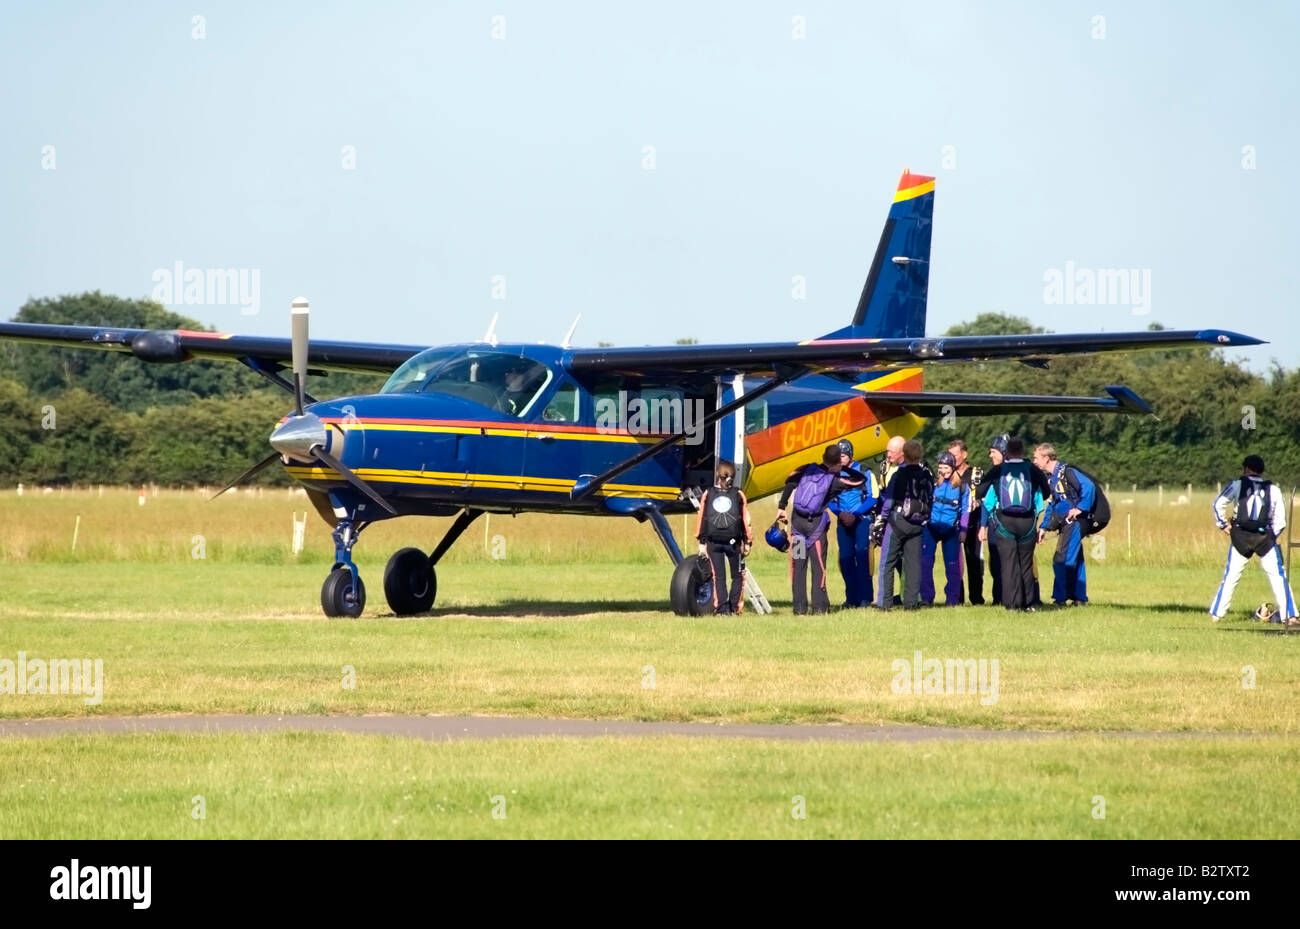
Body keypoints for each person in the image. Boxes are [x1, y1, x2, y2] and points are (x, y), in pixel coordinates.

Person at [1208, 455, 1298, 625]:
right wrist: (1271, 537)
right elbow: (1281, 521)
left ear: (1246, 469)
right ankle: (1290, 615)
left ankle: (1217, 614)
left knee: (1231, 575)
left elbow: (1218, 504)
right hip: (1265, 537)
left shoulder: (1237, 484)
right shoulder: (1274, 489)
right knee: (1278, 576)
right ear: (1261, 471)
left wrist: (1223, 526)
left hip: (1240, 536)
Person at [777, 445, 867, 615]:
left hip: (797, 525)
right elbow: (860, 480)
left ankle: (799, 609)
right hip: (815, 526)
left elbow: (789, 480)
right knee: (818, 567)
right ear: (837, 461)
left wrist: (782, 506)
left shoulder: (808, 470)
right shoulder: (834, 480)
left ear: (823, 456)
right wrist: (844, 467)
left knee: (798, 567)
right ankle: (819, 608)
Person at [980, 436, 1049, 612]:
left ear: (1007, 452)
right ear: (1022, 451)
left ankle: (1012, 605)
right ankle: (1028, 603)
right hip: (1027, 522)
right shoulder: (1032, 469)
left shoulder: (999, 470)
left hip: (1005, 522)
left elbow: (979, 490)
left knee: (1008, 564)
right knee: (1025, 563)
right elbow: (1047, 492)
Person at [1033, 443, 1094, 606]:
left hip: (1073, 523)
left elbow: (1089, 486)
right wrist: (1044, 526)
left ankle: (1060, 598)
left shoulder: (1067, 472)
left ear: (1046, 458)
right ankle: (1079, 598)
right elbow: (1052, 504)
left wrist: (1080, 508)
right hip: (1063, 523)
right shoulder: (1051, 478)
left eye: (1036, 458)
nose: (1034, 461)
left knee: (1062, 559)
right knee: (1077, 560)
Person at [875, 439, 933, 610]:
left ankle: (884, 603)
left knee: (887, 563)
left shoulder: (898, 475)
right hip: (917, 525)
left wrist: (883, 518)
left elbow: (889, 501)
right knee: (913, 565)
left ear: (905, 454)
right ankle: (911, 603)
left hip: (897, 523)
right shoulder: (926, 474)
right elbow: (931, 497)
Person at [695, 461, 754, 615]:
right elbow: (745, 521)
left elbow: (702, 518)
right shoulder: (738, 494)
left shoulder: (708, 493)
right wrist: (748, 542)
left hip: (713, 542)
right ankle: (734, 608)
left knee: (719, 577)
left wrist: (702, 542)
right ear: (733, 477)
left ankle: (722, 608)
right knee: (737, 575)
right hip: (734, 542)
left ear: (717, 474)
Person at [828, 438, 879, 607]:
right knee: (845, 559)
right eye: (838, 456)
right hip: (843, 521)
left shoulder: (865, 472)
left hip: (862, 520)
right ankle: (851, 598)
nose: (840, 459)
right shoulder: (833, 474)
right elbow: (828, 499)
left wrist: (856, 514)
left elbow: (874, 497)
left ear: (850, 455)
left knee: (862, 557)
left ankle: (865, 597)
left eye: (843, 455)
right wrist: (840, 513)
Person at [921, 451, 970, 606]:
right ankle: (927, 597)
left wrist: (963, 530)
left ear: (953, 467)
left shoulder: (962, 486)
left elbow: (965, 509)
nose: (944, 470)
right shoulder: (934, 483)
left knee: (952, 566)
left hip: (951, 530)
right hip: (931, 527)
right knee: (925, 563)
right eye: (941, 467)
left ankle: (952, 599)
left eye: (947, 467)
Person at [948, 438, 985, 604]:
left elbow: (986, 497)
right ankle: (958, 597)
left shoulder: (977, 474)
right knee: (955, 562)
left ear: (964, 454)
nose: (952, 459)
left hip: (974, 522)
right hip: (954, 523)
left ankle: (976, 598)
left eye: (955, 455)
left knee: (974, 561)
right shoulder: (948, 475)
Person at [975, 434, 1010, 605]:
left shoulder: (995, 473)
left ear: (1004, 452)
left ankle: (1004, 597)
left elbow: (983, 499)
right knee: (996, 562)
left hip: (1002, 524)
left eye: (993, 452)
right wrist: (982, 526)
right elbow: (987, 502)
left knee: (1003, 562)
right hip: (997, 523)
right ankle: (1000, 597)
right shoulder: (1023, 470)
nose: (990, 456)